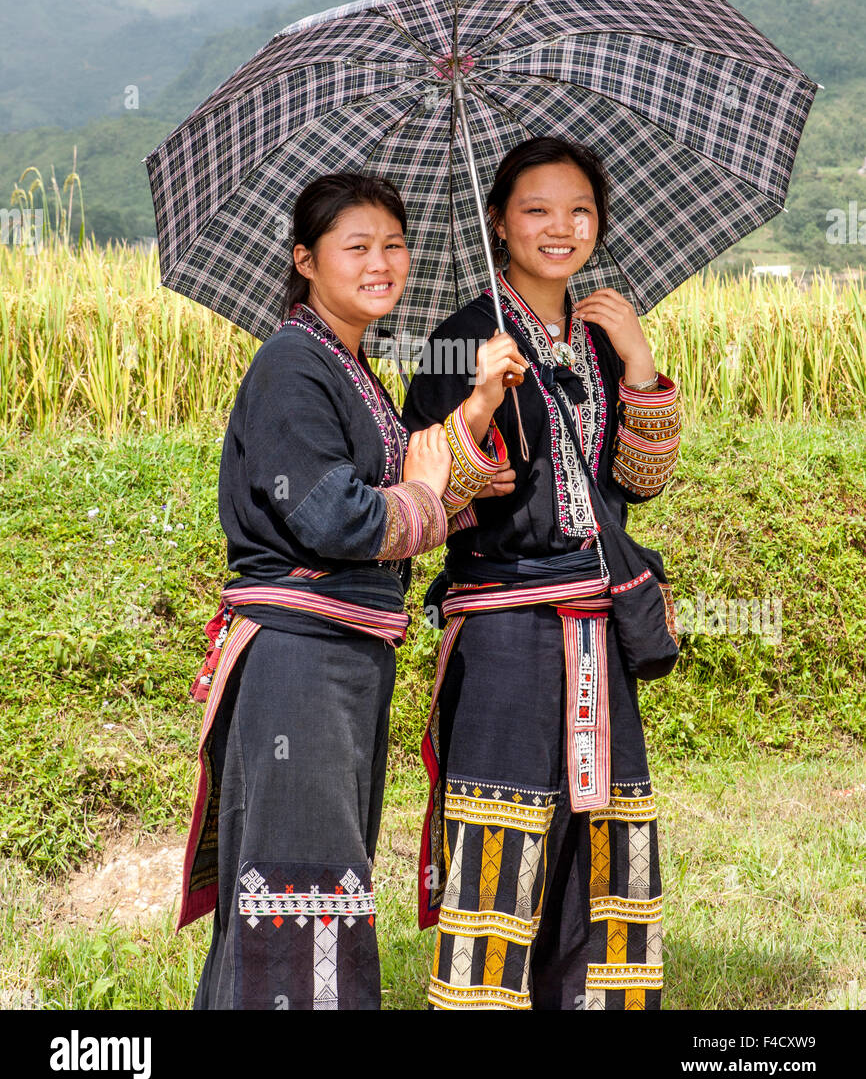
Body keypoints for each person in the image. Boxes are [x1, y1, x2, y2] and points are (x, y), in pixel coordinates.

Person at [178, 172, 495, 1011]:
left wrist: (482, 407)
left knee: (315, 874)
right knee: (300, 880)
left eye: (393, 243)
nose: (381, 262)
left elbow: (406, 485)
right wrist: (427, 497)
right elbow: (330, 515)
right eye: (355, 247)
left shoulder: (349, 366)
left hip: (342, 660)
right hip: (299, 661)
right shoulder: (293, 363)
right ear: (305, 261)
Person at [402, 135, 682, 1011]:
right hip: (505, 631)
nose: (560, 228)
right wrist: (482, 399)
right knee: (505, 830)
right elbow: (429, 500)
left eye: (579, 210)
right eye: (536, 210)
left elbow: (639, 483)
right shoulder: (460, 340)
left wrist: (638, 360)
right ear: (499, 222)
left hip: (599, 623)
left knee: (597, 830)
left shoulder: (599, 338)